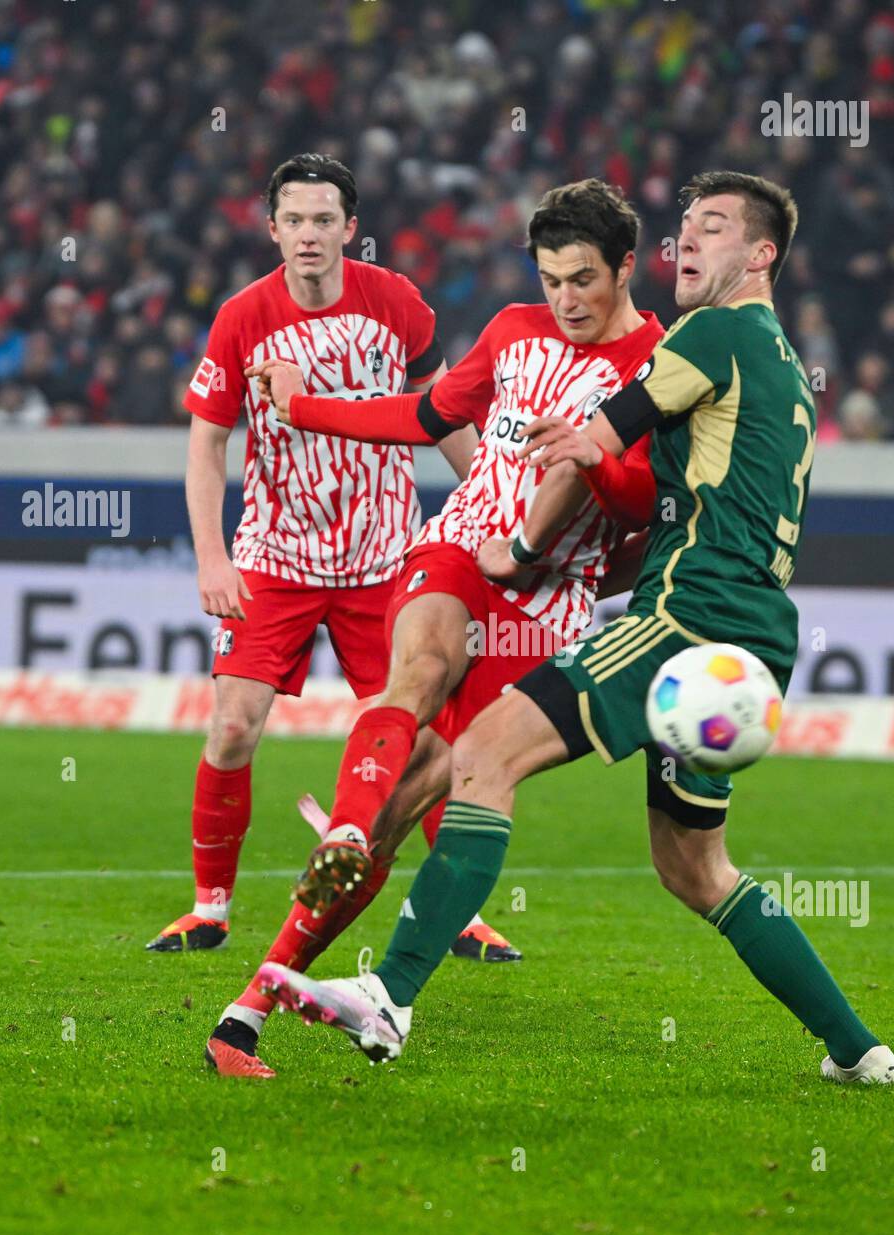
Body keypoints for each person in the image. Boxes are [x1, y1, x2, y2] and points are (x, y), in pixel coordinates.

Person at [254, 171, 894, 1089]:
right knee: (695, 866)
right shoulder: (787, 372)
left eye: (714, 228)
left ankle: (391, 996)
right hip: (755, 647)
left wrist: (518, 548)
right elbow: (679, 497)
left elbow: (592, 441)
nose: (692, 240)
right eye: (687, 224)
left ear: (761, 256)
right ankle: (861, 1051)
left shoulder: (710, 332)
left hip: (688, 622)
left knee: (482, 753)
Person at [204, 179, 663, 1078]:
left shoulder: (660, 364)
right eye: (550, 279)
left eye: (582, 280)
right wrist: (304, 409)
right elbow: (425, 417)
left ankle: (246, 1012)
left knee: (424, 791)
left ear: (624, 268)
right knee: (415, 672)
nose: (565, 299)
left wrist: (590, 459)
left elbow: (647, 499)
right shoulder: (510, 330)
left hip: (547, 600)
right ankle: (341, 828)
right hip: (459, 543)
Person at [147, 153, 476, 954]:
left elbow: (445, 415)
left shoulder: (397, 304)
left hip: (385, 557)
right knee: (231, 729)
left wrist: (485, 511)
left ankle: (458, 914)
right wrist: (211, 557)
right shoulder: (241, 317)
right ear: (272, 230)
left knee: (423, 739)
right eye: (293, 220)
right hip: (275, 558)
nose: (309, 235)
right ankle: (211, 910)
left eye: (324, 219)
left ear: (350, 230)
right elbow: (206, 445)